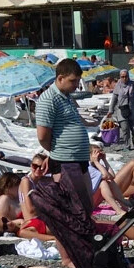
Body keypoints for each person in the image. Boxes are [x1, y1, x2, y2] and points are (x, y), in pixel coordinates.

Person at [35, 58, 93, 215]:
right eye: (73, 81)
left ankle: (84, 238)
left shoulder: (66, 97)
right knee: (72, 209)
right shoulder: (48, 99)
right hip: (65, 160)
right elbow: (42, 135)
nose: (76, 85)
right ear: (60, 78)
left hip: (77, 159)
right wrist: (54, 150)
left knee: (86, 205)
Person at [107, 69, 134, 151]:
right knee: (125, 129)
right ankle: (127, 145)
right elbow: (114, 99)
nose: (124, 78)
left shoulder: (133, 84)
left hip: (132, 109)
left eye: (126, 77)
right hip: (121, 110)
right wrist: (110, 110)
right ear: (120, 77)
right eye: (122, 77)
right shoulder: (118, 85)